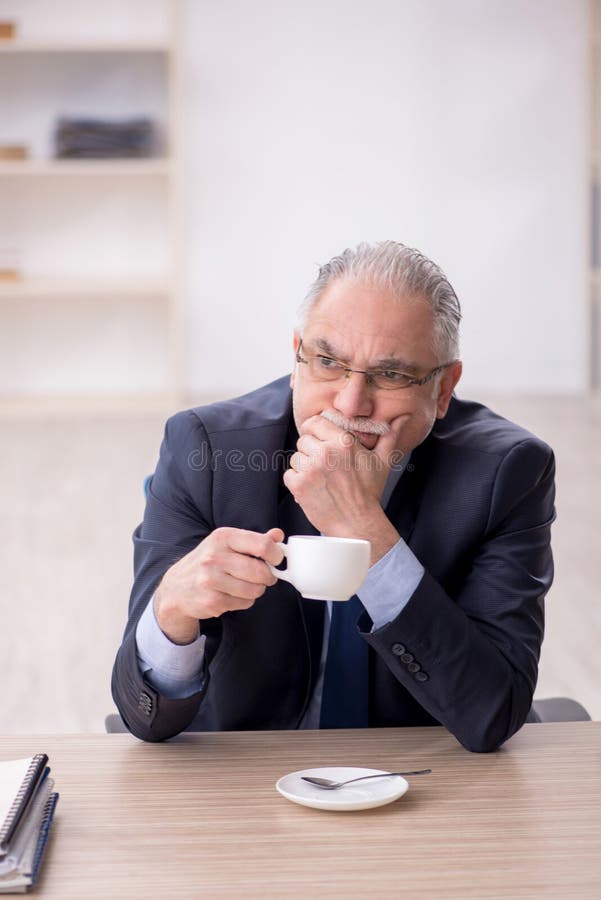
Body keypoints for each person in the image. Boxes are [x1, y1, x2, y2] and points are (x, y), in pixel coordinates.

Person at [111, 241, 555, 752]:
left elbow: (492, 711)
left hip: (423, 777)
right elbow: (145, 715)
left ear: (443, 387)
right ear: (298, 354)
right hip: (247, 778)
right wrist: (171, 612)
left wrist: (365, 528)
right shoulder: (206, 450)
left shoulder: (509, 471)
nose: (350, 403)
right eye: (327, 361)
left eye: (390, 374)